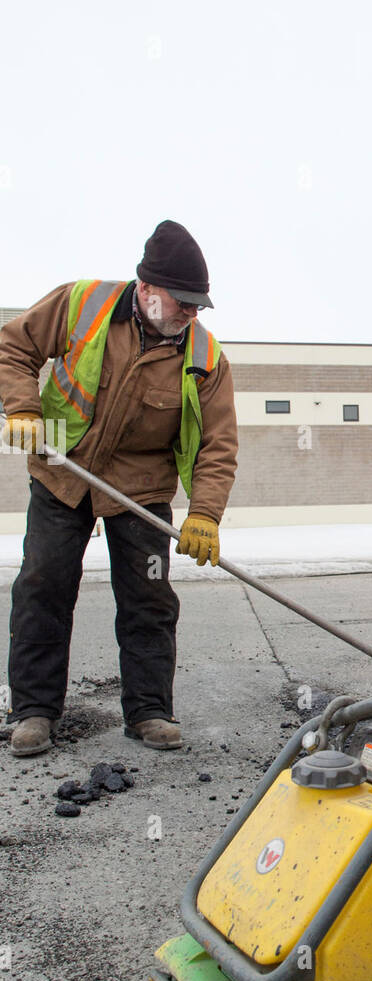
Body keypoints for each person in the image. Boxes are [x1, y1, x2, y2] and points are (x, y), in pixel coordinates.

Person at [0, 220, 238, 756]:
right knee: (43, 585)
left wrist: (204, 514)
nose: (190, 313)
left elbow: (217, 445)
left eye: (198, 305)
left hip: (141, 488)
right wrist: (21, 406)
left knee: (149, 598)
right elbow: (13, 347)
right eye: (182, 301)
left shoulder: (204, 357)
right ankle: (35, 711)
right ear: (147, 289)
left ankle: (149, 711)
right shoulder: (82, 305)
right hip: (64, 472)